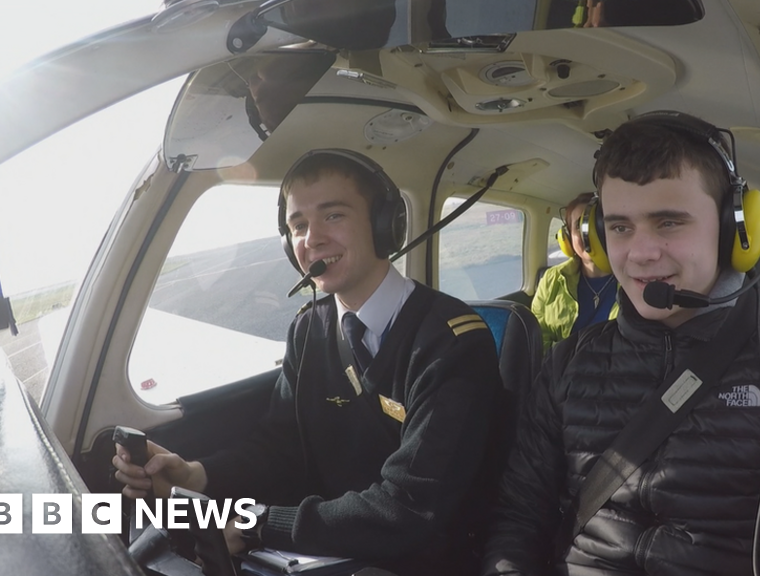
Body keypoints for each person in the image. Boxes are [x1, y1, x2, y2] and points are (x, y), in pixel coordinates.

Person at [481, 111, 760, 575]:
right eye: (621, 227)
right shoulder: (568, 365)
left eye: (668, 223)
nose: (641, 253)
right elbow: (519, 518)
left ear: (733, 232)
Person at [114, 149, 504, 576]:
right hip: (328, 553)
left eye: (333, 215)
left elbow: (408, 508)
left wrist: (258, 524)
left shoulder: (451, 341)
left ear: (383, 224)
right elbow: (280, 447)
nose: (311, 238)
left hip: (427, 559)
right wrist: (195, 475)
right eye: (298, 225)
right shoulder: (308, 330)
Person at [533, 193, 619, 352]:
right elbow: (537, 338)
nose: (589, 234)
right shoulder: (552, 279)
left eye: (596, 224)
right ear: (567, 237)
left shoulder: (633, 278)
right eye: (580, 226)